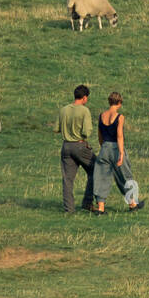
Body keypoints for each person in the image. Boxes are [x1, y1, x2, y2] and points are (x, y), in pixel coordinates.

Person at [92, 91, 144, 214]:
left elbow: (99, 135)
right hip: (116, 148)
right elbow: (119, 136)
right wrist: (121, 153)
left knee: (101, 177)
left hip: (104, 148)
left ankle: (100, 208)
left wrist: (103, 147)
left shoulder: (101, 116)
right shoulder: (120, 117)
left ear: (109, 102)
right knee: (125, 175)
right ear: (119, 103)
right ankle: (132, 204)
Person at [56, 84, 95, 213]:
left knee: (68, 180)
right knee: (96, 170)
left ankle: (69, 209)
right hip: (80, 145)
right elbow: (87, 131)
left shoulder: (64, 109)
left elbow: (56, 129)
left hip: (66, 145)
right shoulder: (84, 111)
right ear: (84, 98)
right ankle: (87, 202)